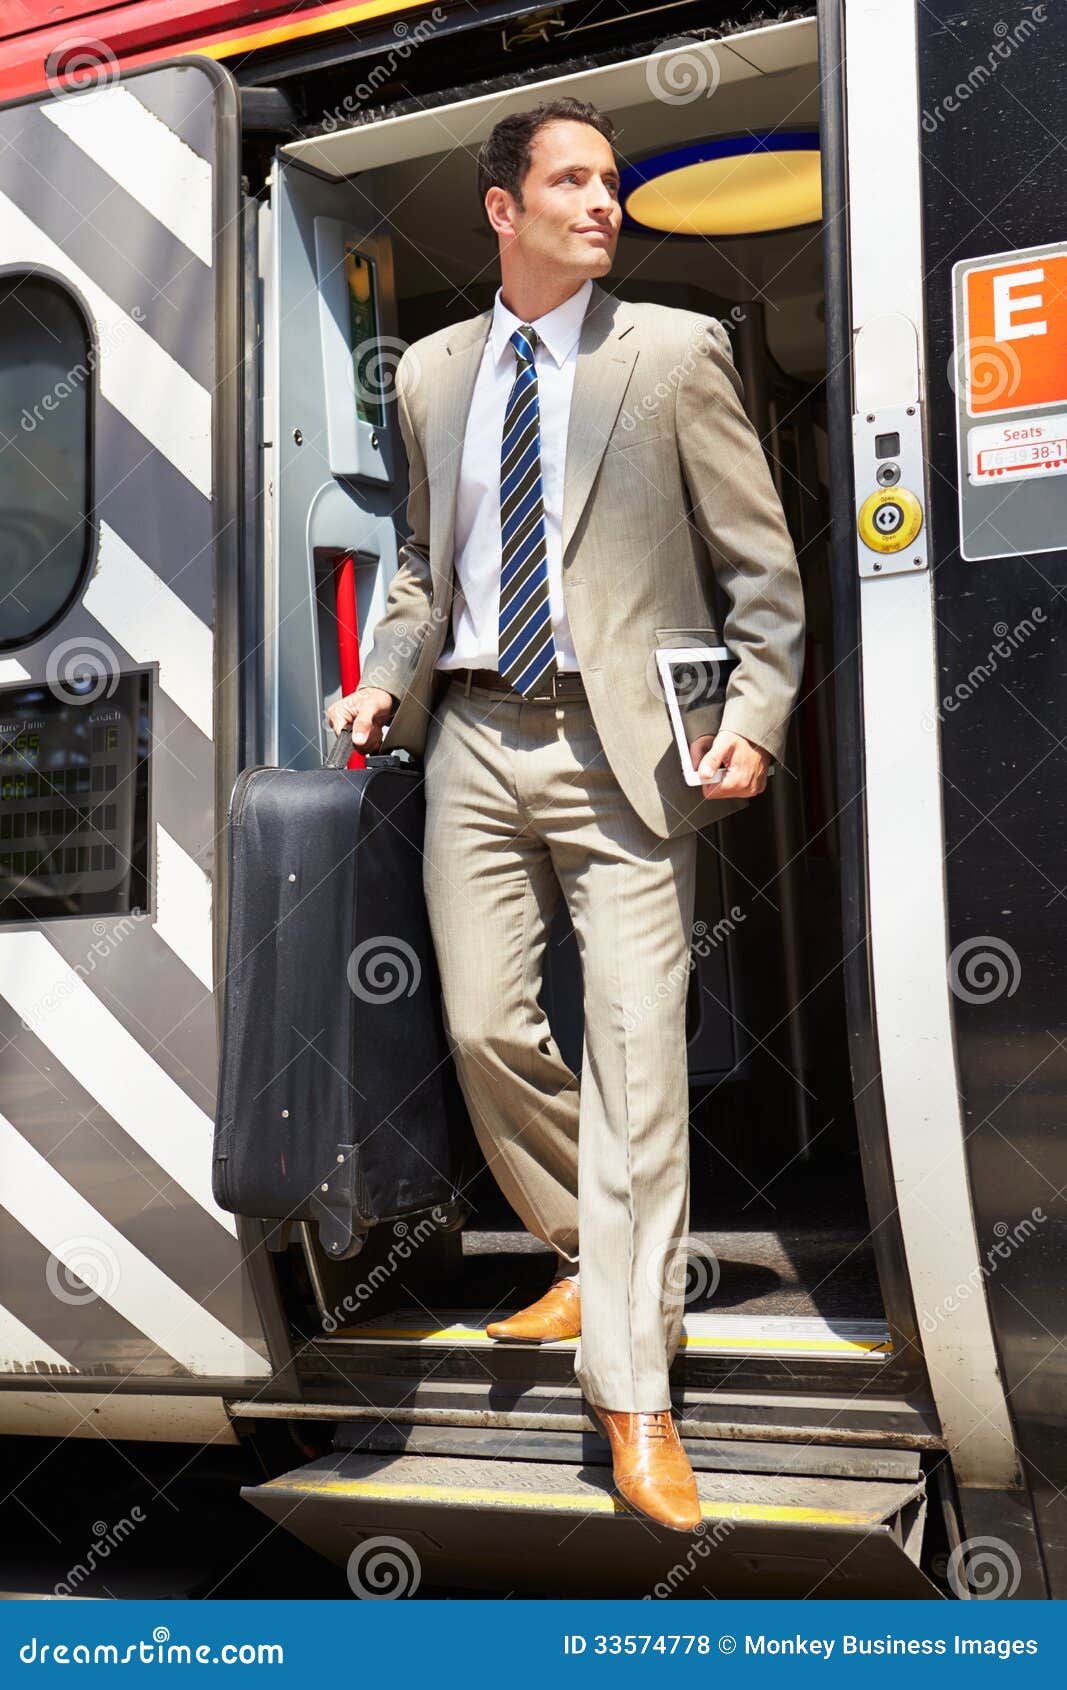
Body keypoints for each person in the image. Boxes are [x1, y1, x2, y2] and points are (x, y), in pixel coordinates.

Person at [327, 96, 805, 1532]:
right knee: (480, 1024)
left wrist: (754, 719)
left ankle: (637, 1390)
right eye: (578, 182)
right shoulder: (428, 372)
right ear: (502, 207)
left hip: (624, 749)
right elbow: (423, 565)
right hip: (473, 731)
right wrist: (382, 676)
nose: (607, 203)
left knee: (640, 1059)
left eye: (612, 184)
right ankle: (588, 1245)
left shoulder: (675, 353)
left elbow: (764, 576)